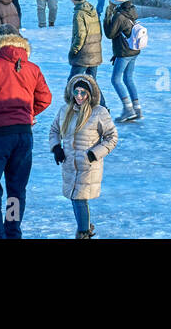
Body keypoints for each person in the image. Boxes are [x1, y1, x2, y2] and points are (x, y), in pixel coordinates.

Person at [0, 26, 52, 239]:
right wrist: (28, 113)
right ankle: (12, 230)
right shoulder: (32, 68)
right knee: (16, 189)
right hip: (23, 134)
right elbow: (45, 98)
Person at [48, 72, 118, 238]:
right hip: (69, 164)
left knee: (79, 198)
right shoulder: (65, 110)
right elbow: (54, 130)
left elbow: (112, 137)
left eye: (83, 93)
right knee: (74, 197)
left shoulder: (99, 112)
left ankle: (84, 232)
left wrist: (94, 154)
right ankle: (85, 226)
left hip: (88, 165)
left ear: (90, 94)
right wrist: (56, 147)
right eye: (76, 92)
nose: (79, 96)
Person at [103, 0, 143, 123]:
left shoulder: (119, 16)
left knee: (115, 79)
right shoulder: (130, 10)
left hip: (124, 52)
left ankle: (128, 109)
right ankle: (137, 108)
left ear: (113, 2)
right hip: (134, 50)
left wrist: (107, 17)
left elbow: (110, 34)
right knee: (128, 78)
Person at [67, 0, 102, 81]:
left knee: (72, 81)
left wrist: (74, 50)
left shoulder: (79, 13)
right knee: (92, 84)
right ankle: (98, 97)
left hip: (83, 55)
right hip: (95, 52)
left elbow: (80, 35)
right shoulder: (92, 9)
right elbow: (99, 31)